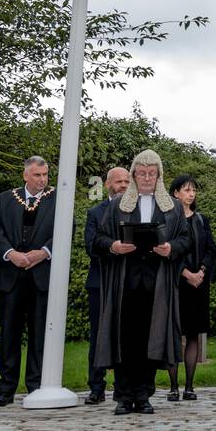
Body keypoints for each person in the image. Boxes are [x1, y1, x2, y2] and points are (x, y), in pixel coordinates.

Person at [94, 149, 190, 416]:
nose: (146, 177)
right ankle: (123, 396)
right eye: (141, 172)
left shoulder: (171, 207)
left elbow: (186, 239)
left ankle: (144, 394)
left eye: (151, 173)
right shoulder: (117, 205)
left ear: (158, 175)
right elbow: (98, 239)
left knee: (152, 338)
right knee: (125, 339)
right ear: (134, 174)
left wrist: (171, 248)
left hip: (156, 282)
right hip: (125, 282)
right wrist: (113, 245)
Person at [0, 156, 56, 406]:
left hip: (41, 276)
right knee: (9, 334)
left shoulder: (57, 199)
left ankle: (36, 386)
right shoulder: (6, 198)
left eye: (45, 174)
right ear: (25, 175)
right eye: (37, 175)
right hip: (11, 277)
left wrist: (44, 253)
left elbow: (64, 230)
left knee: (39, 334)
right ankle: (6, 389)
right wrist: (11, 254)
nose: (43, 180)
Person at [166, 174, 216, 401]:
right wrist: (185, 273)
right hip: (177, 283)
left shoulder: (201, 220)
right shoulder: (168, 219)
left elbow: (211, 248)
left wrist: (202, 272)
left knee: (194, 334)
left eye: (194, 190)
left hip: (199, 283)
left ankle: (189, 386)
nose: (191, 194)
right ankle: (173, 386)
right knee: (174, 333)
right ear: (176, 192)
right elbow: (167, 251)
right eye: (187, 190)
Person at [83, 165, 130, 405]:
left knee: (126, 335)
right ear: (108, 184)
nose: (123, 185)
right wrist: (114, 248)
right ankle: (96, 386)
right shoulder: (96, 212)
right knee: (99, 335)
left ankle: (124, 388)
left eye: (126, 181)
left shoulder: (137, 210)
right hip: (101, 281)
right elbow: (91, 246)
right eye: (119, 181)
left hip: (129, 282)